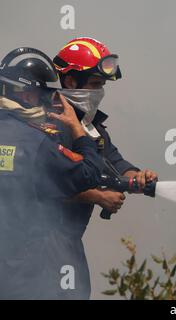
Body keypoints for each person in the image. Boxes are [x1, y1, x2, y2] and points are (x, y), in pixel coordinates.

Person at [53, 37, 158, 298]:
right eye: (95, 84)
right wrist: (97, 196)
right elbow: (39, 186)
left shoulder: (92, 128)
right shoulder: (48, 125)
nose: (100, 92)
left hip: (68, 245)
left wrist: (138, 177)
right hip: (35, 245)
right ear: (70, 81)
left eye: (102, 85)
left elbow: (115, 163)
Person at [0, 47, 104, 299]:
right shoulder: (35, 143)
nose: (47, 100)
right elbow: (87, 173)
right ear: (27, 92)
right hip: (27, 276)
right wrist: (77, 129)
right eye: (44, 93)